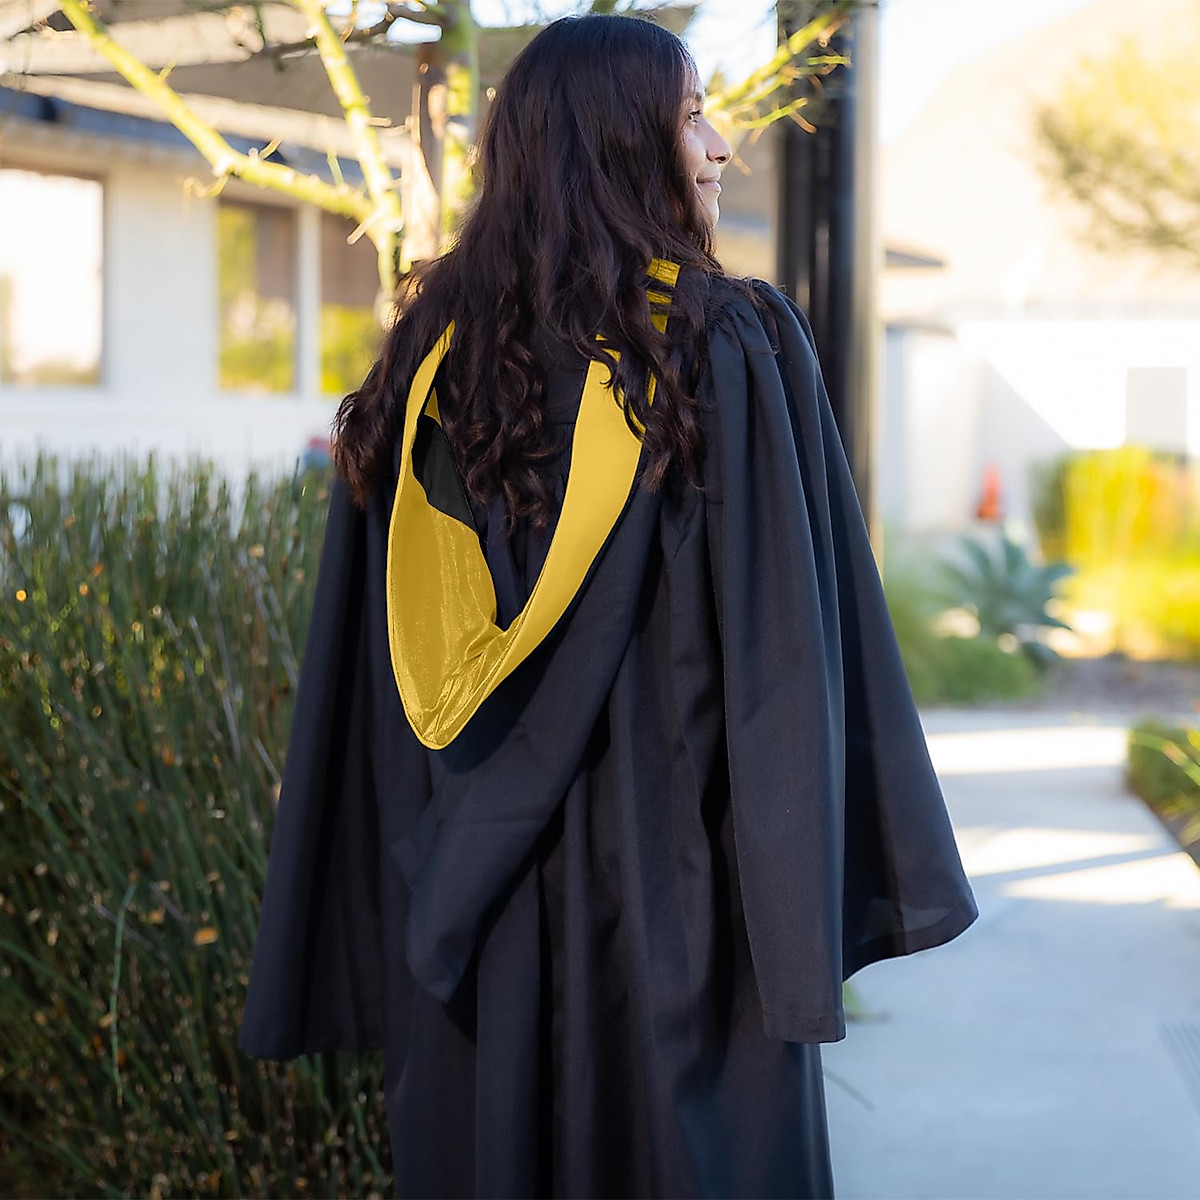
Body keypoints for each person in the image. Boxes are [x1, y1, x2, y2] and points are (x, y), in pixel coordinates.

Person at [237, 13, 979, 1199]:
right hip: (678, 920)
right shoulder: (724, 344)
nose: (721, 145)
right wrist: (797, 940)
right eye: (691, 113)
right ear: (617, 143)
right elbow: (789, 666)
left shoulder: (425, 367)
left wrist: (408, 901)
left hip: (470, 919)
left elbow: (378, 694)